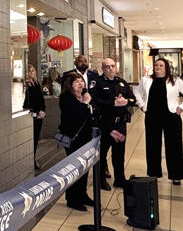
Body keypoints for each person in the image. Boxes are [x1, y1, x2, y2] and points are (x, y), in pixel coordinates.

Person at [133, 57, 183, 185]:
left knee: (174, 145)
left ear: (166, 68)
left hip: (171, 116)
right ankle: (153, 173)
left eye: (161, 65)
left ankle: (176, 175)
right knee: (152, 145)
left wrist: (182, 107)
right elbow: (136, 91)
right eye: (156, 65)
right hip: (152, 116)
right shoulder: (146, 80)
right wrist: (141, 104)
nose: (158, 68)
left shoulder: (175, 80)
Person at [89, 57, 136, 190]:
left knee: (119, 153)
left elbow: (133, 99)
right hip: (105, 124)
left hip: (120, 124)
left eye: (112, 66)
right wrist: (112, 103)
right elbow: (94, 101)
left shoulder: (121, 82)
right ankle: (101, 180)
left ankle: (120, 179)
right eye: (107, 66)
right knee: (102, 153)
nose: (110, 69)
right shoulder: (97, 83)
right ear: (102, 69)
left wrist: (126, 101)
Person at [58, 72, 96, 211]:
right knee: (75, 168)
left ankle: (82, 195)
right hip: (73, 139)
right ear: (70, 85)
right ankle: (72, 198)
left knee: (84, 168)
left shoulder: (85, 95)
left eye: (81, 81)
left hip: (86, 137)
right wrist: (85, 103)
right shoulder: (66, 98)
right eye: (76, 82)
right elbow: (75, 116)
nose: (80, 84)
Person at [22, 64, 45, 170]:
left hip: (39, 115)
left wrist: (43, 110)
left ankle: (33, 159)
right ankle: (31, 160)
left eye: (33, 70)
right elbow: (28, 102)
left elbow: (41, 99)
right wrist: (34, 111)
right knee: (31, 139)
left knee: (35, 139)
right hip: (32, 115)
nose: (32, 73)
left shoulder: (37, 83)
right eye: (29, 71)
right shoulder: (27, 85)